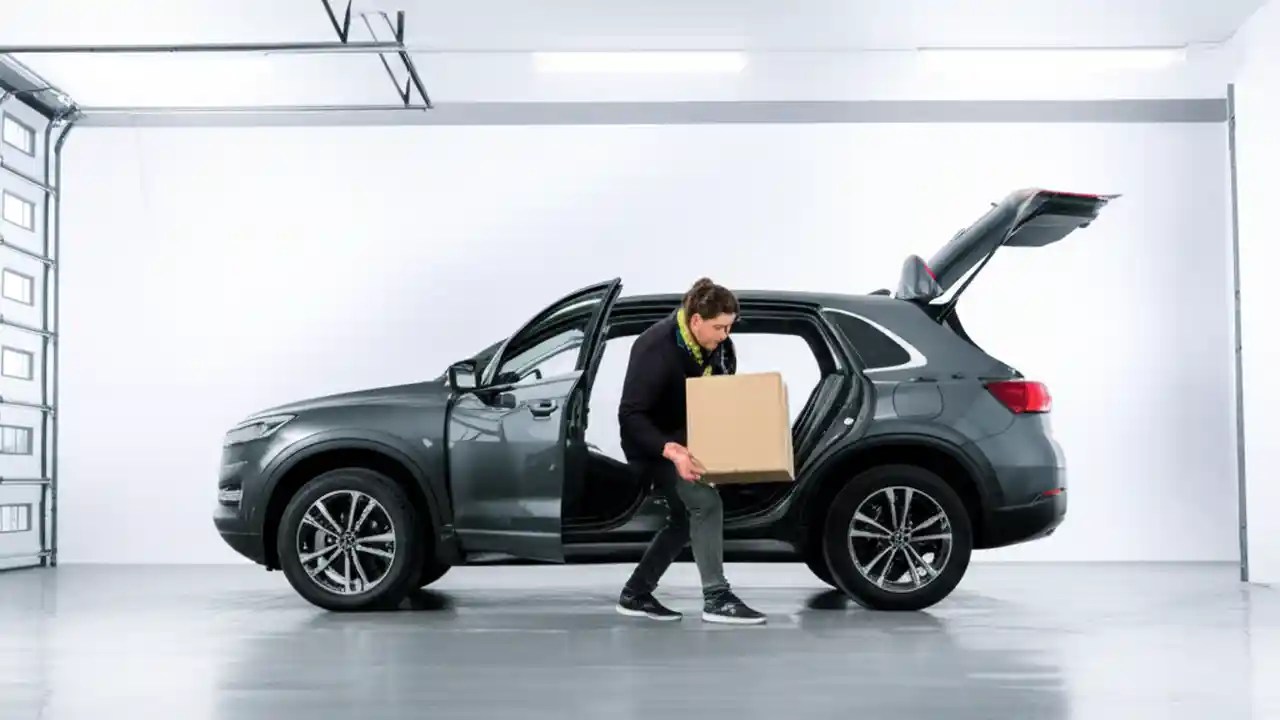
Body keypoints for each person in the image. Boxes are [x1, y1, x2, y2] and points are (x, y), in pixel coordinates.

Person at [613, 277, 767, 625]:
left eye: (729, 328)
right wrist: (673, 451)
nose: (725, 336)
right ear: (695, 320)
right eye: (719, 328)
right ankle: (717, 597)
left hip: (686, 438)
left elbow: (718, 398)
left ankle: (635, 594)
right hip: (650, 444)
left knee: (684, 520)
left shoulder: (720, 346)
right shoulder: (655, 347)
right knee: (705, 503)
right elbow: (631, 415)